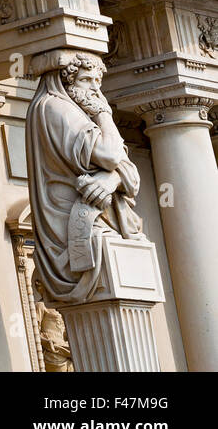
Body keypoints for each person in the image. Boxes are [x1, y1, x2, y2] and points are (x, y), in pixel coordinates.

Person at [26, 52, 146, 304]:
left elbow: (132, 177)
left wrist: (111, 181)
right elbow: (112, 156)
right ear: (65, 82)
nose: (94, 90)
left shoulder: (81, 113)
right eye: (85, 80)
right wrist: (104, 113)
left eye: (97, 82)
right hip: (80, 228)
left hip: (99, 220)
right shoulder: (54, 107)